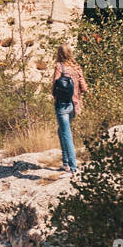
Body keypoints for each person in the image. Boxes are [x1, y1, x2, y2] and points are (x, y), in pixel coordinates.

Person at [50, 43, 88, 174]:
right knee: (61, 131)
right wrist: (76, 93)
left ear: (59, 54)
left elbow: (55, 85)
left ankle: (73, 167)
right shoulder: (77, 67)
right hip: (75, 105)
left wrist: (55, 95)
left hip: (62, 104)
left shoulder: (59, 66)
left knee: (66, 135)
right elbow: (84, 87)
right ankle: (65, 163)